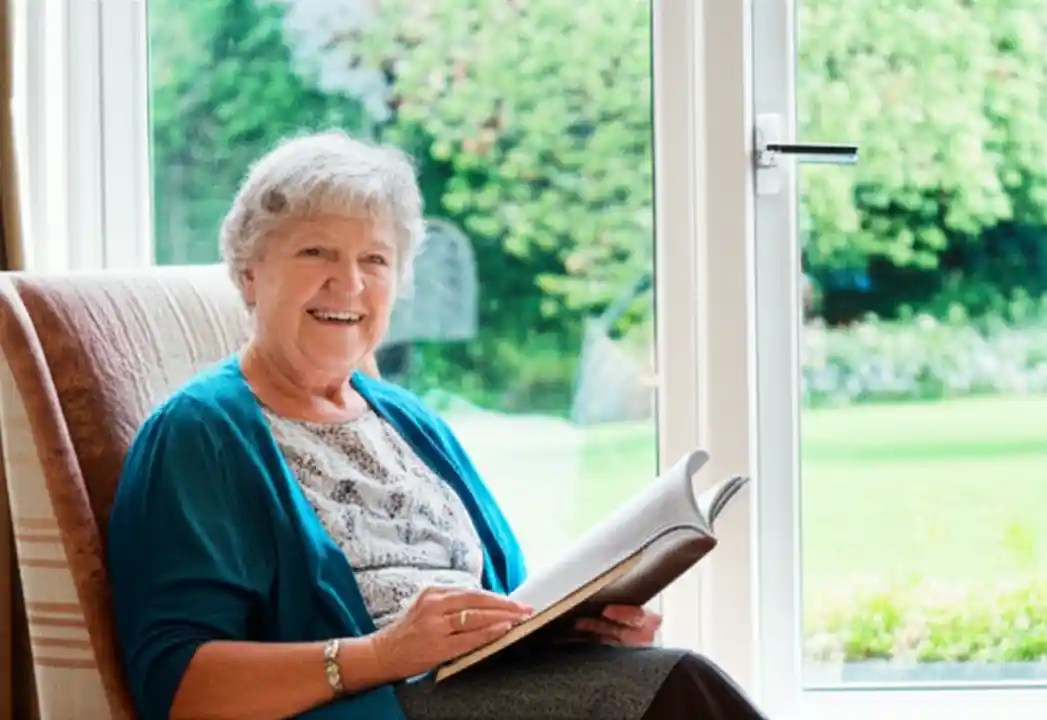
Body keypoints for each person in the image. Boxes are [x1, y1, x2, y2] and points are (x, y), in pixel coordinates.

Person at [106, 131, 766, 720]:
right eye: (316, 253)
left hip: (484, 697)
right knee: (679, 687)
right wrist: (378, 655)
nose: (350, 284)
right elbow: (181, 691)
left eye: (375, 261)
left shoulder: (408, 421)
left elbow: (502, 602)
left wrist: (575, 636)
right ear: (250, 276)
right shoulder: (199, 434)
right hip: (376, 708)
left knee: (656, 680)